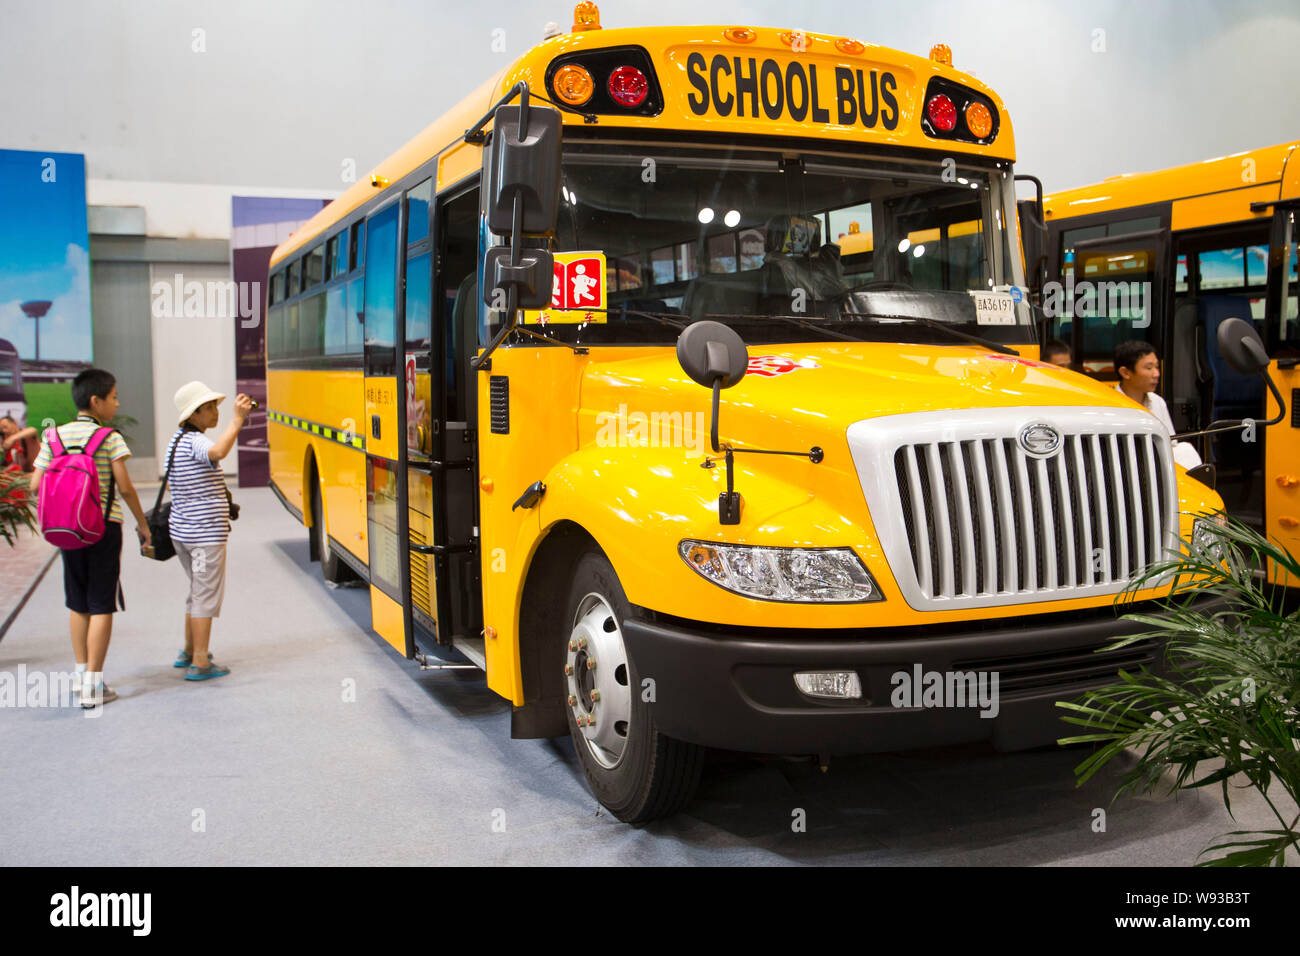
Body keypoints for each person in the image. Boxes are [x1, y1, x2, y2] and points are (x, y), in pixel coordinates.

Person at [28, 369, 152, 708]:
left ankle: (80, 672)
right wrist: (143, 524)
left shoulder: (52, 437)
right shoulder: (109, 438)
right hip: (103, 528)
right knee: (102, 604)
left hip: (66, 530)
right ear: (96, 401)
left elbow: (35, 485)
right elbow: (125, 487)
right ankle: (93, 686)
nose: (117, 403)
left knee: (78, 601)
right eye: (113, 397)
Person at [166, 381, 251, 681]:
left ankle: (189, 650)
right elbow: (218, 452)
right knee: (205, 594)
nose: (216, 412)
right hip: (204, 536)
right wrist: (237, 420)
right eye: (210, 407)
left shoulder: (176, 441)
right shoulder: (197, 442)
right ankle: (200, 661)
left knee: (196, 591)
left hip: (183, 532)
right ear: (194, 414)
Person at [1113, 340, 1202, 470]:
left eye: (1157, 367)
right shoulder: (1110, 405)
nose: (1156, 374)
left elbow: (1171, 444)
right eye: (1149, 368)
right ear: (1125, 373)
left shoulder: (1157, 402)